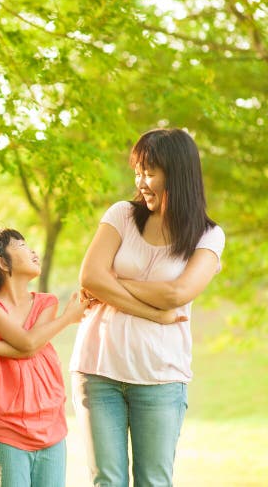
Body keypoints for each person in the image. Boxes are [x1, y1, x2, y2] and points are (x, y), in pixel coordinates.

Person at [71, 128, 225, 487]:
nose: (140, 182)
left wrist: (115, 283)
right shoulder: (122, 214)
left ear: (178, 173)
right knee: (106, 480)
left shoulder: (208, 236)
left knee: (153, 481)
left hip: (159, 378)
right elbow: (90, 276)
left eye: (150, 172)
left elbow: (177, 294)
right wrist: (154, 313)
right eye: (137, 171)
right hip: (98, 370)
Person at [0, 229, 87, 487]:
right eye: (22, 246)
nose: (32, 251)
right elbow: (28, 343)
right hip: (9, 425)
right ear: (2, 262)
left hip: (50, 419)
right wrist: (68, 318)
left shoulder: (47, 302)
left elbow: (29, 347)